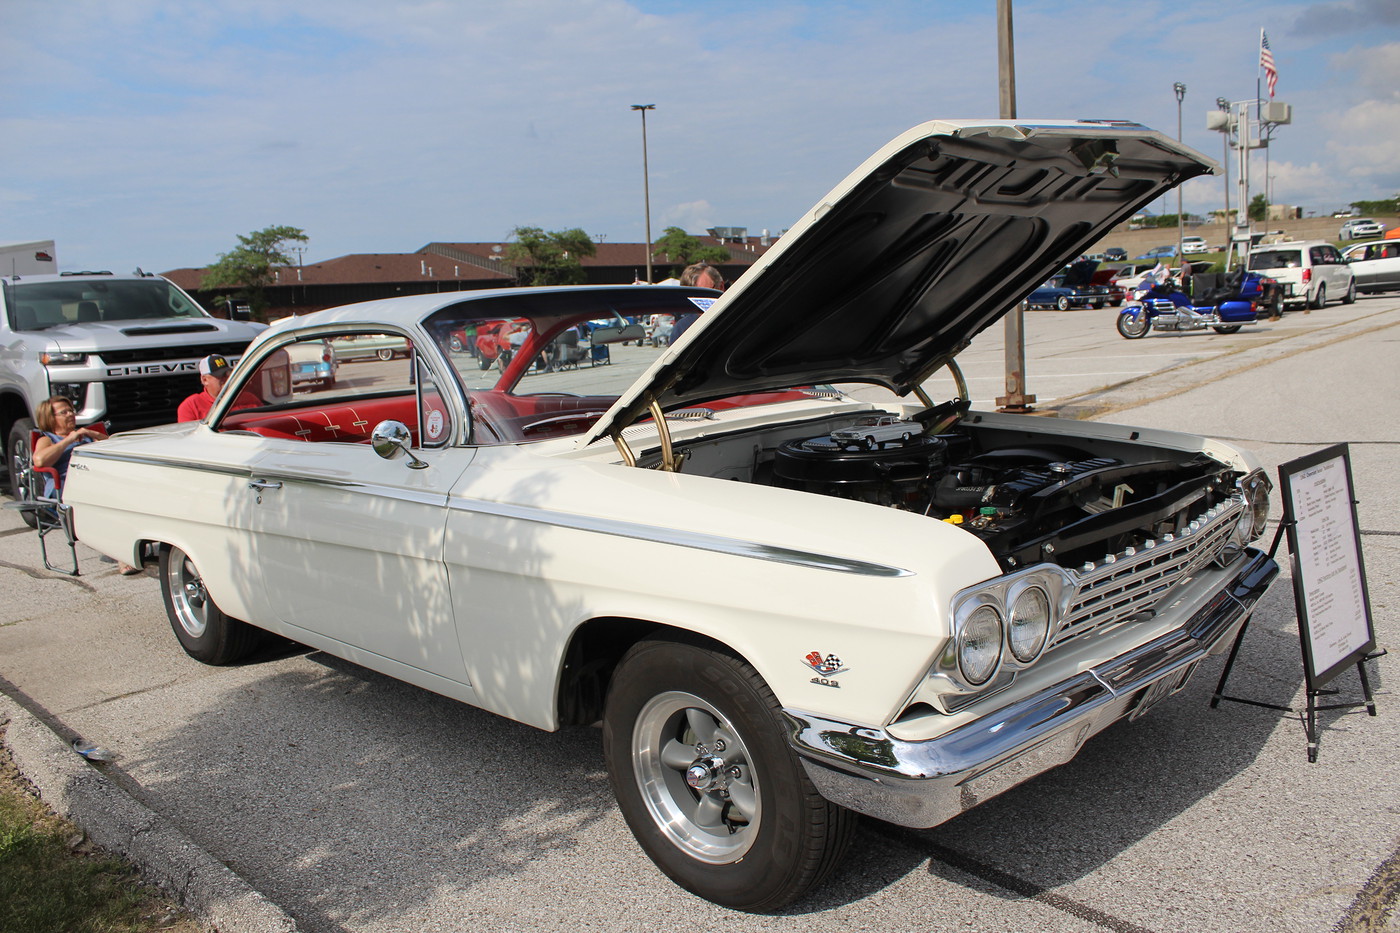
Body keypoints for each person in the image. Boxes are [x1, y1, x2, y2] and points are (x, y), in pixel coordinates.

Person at [32, 395, 139, 574]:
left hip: (94, 485)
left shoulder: (85, 436)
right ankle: (123, 556)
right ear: (50, 418)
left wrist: (94, 435)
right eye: (63, 412)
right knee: (109, 501)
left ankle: (129, 545)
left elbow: (119, 449)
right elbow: (40, 460)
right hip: (65, 490)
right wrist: (68, 440)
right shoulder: (47, 439)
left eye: (71, 411)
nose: (70, 415)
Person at [177, 354, 256, 422]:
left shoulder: (249, 398)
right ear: (205, 380)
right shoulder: (191, 406)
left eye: (226, 374)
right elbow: (190, 436)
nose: (225, 379)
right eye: (220, 375)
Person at [671, 263, 725, 343]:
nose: (698, 302)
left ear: (721, 287)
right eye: (692, 297)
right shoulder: (682, 328)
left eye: (704, 293)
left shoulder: (740, 317)